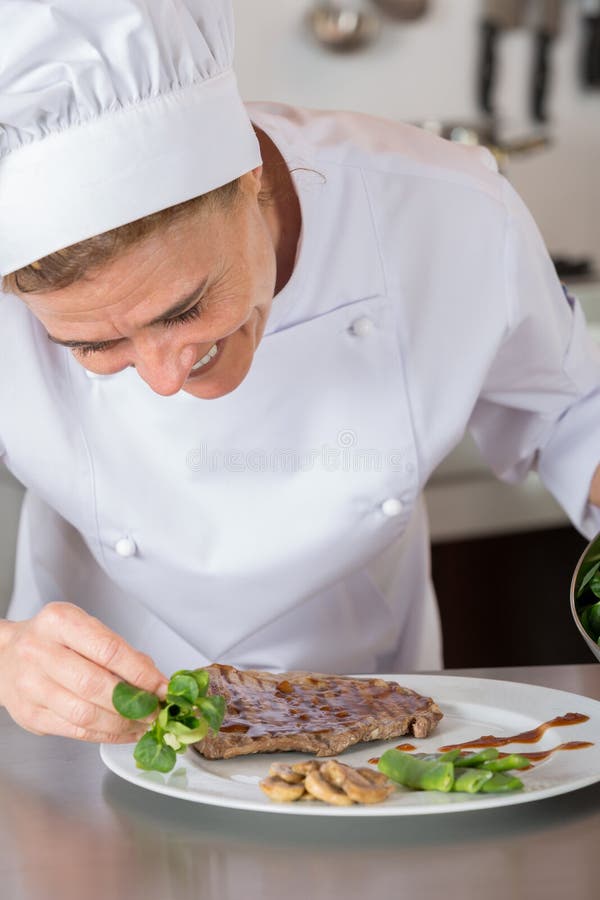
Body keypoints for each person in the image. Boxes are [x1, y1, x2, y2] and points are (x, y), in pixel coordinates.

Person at [0, 0, 599, 746]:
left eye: (186, 308)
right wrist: (5, 653)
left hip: (378, 740)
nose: (162, 377)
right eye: (92, 346)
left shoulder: (443, 209)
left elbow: (575, 406)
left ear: (249, 175)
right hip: (85, 747)